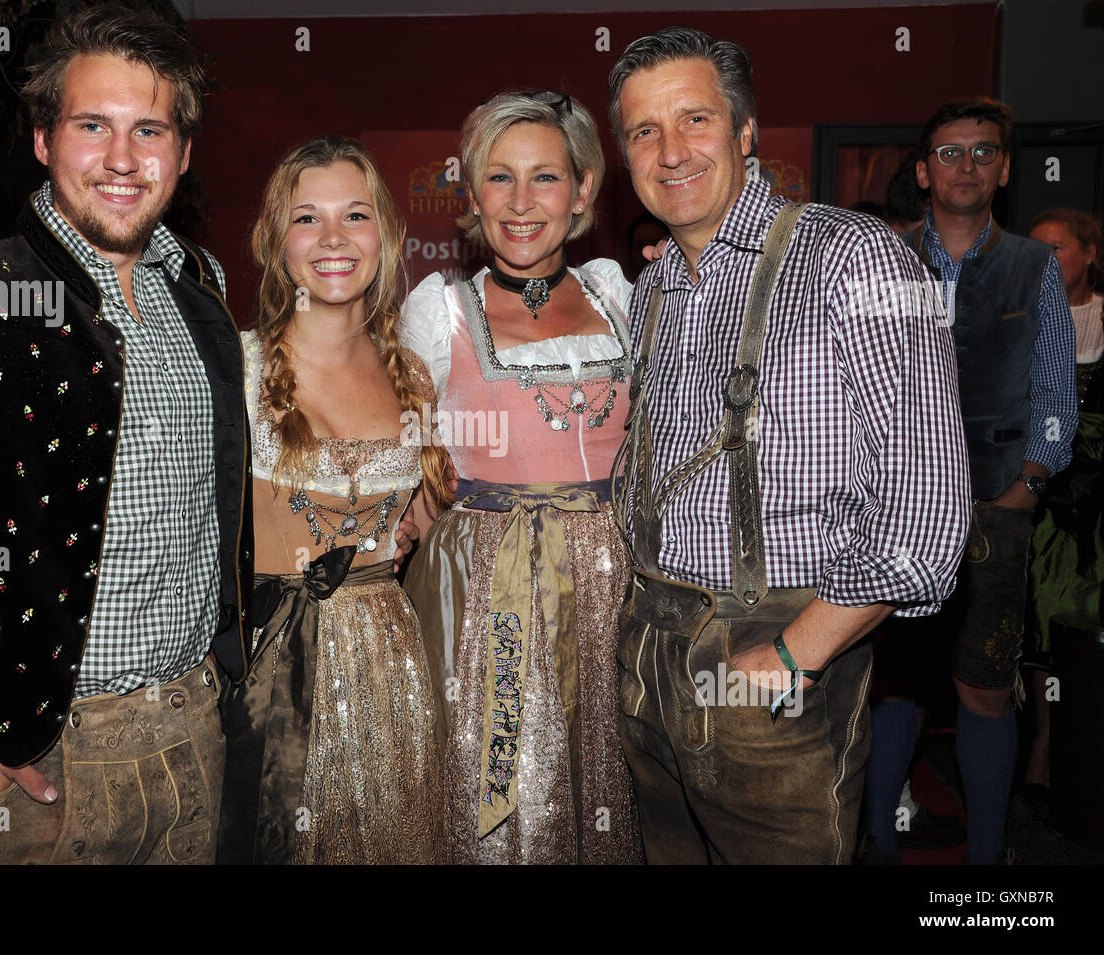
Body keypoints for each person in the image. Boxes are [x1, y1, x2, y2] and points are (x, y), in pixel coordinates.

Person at [0, 6, 249, 865]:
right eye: (92, 125)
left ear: (183, 152)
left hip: (196, 742)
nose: (124, 159)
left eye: (151, 129)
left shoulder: (200, 295)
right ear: (41, 139)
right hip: (28, 761)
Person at [606, 26, 971, 864]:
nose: (671, 151)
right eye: (644, 131)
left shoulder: (856, 257)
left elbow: (925, 518)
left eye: (695, 120)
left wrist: (790, 655)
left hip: (774, 652)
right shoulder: (653, 286)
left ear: (744, 133)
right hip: (649, 658)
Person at [401, 90, 643, 863]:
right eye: (498, 178)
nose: (521, 202)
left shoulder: (619, 293)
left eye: (545, 177)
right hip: (492, 587)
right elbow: (410, 459)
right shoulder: (438, 311)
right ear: (471, 196)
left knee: (615, 780)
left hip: (621, 578)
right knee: (506, 794)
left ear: (583, 190)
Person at [218, 136, 451, 864]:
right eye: (306, 218)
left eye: (354, 215)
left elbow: (435, 519)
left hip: (393, 667)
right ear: (274, 239)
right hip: (270, 671)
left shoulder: (413, 373)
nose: (333, 240)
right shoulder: (239, 364)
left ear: (385, 233)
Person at [867, 99, 1078, 865]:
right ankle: (878, 845)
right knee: (893, 686)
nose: (967, 166)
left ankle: (987, 865)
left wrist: (1027, 484)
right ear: (923, 171)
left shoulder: (1034, 264)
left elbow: (1056, 397)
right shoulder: (882, 257)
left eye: (983, 152)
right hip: (890, 512)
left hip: (997, 511)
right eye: (949, 153)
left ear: (1006, 168)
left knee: (985, 689)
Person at [1023, 208, 1103, 798]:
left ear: (1090, 254)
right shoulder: (1022, 318)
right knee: (1039, 623)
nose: (1044, 261)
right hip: (1043, 496)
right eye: (1036, 251)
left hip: (1099, 505)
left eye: (1056, 249)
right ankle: (1046, 740)